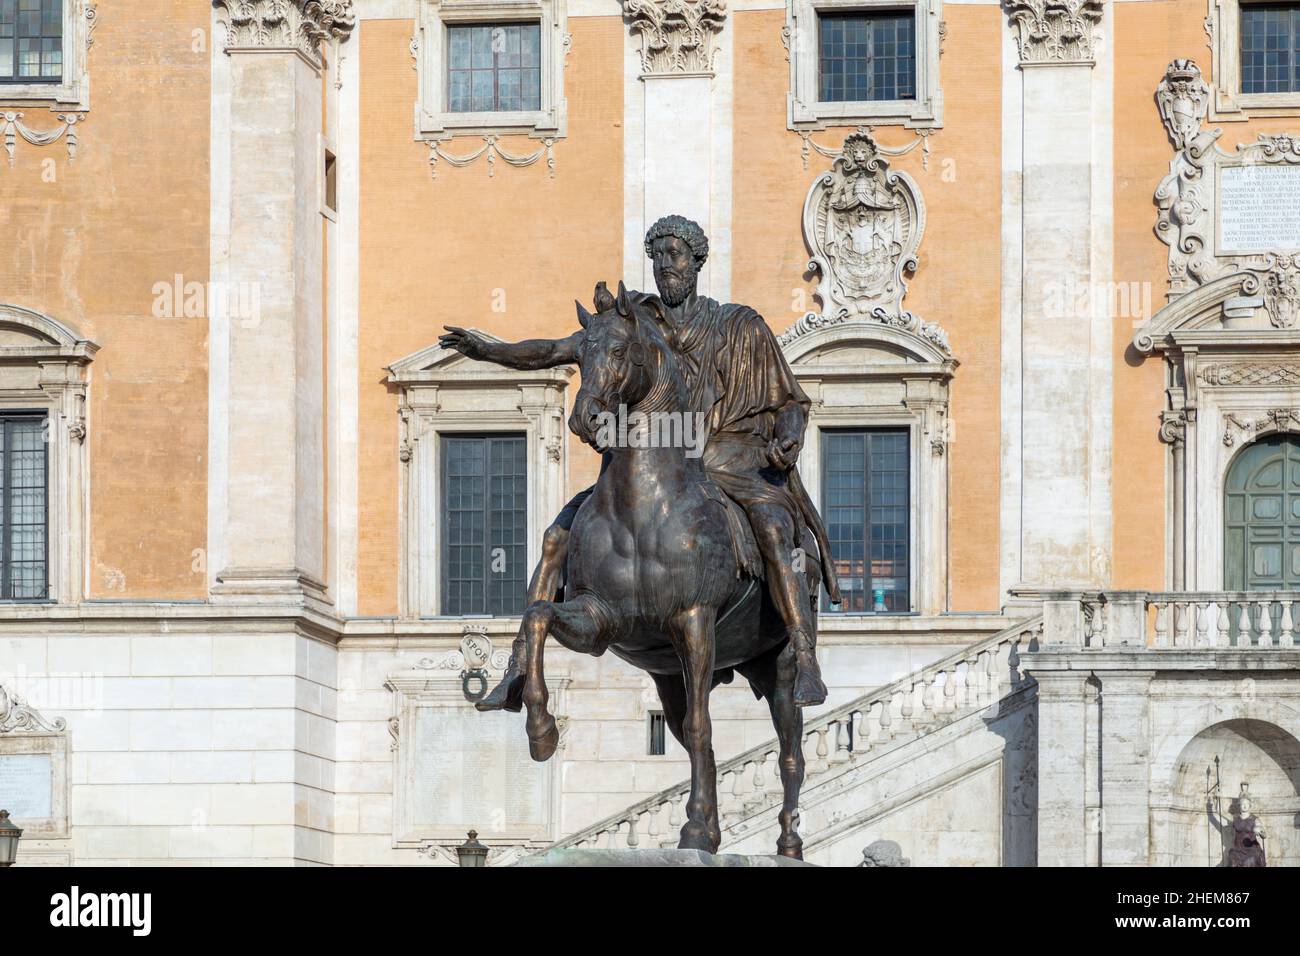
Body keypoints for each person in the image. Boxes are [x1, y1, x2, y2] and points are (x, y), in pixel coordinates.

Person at [441, 215, 839, 708]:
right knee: (558, 536)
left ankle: (803, 654)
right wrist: (491, 350)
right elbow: (555, 350)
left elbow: (791, 402)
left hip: (728, 454)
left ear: (697, 262)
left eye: (676, 255)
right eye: (658, 256)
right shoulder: (634, 324)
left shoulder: (739, 325)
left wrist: (789, 435)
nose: (666, 265)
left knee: (775, 528)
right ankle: (519, 668)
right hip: (659, 459)